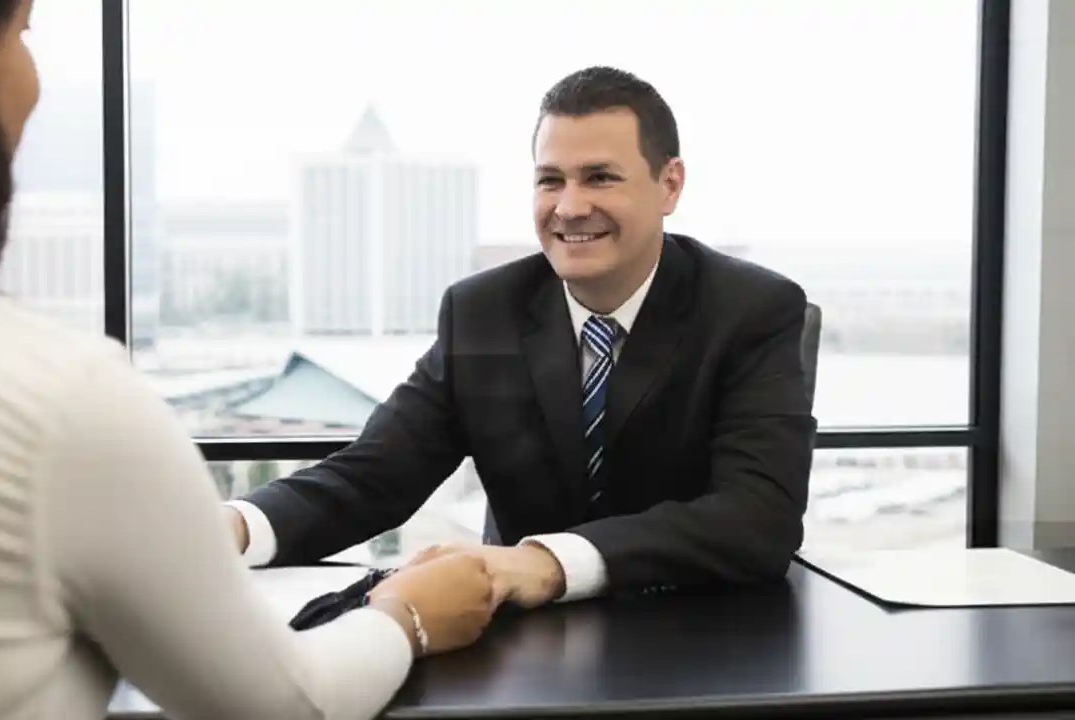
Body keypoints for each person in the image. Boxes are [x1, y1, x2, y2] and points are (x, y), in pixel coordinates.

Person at [0, 2, 494, 719]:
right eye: (24, 31)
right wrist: (405, 616)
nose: (33, 73)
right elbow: (289, 703)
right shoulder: (51, 393)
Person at [225, 66, 816, 609]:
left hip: (706, 641)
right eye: (549, 180)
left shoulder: (752, 310)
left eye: (601, 178)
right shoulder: (484, 311)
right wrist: (232, 529)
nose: (570, 206)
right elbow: (373, 477)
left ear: (670, 185)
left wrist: (547, 562)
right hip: (524, 650)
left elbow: (757, 519)